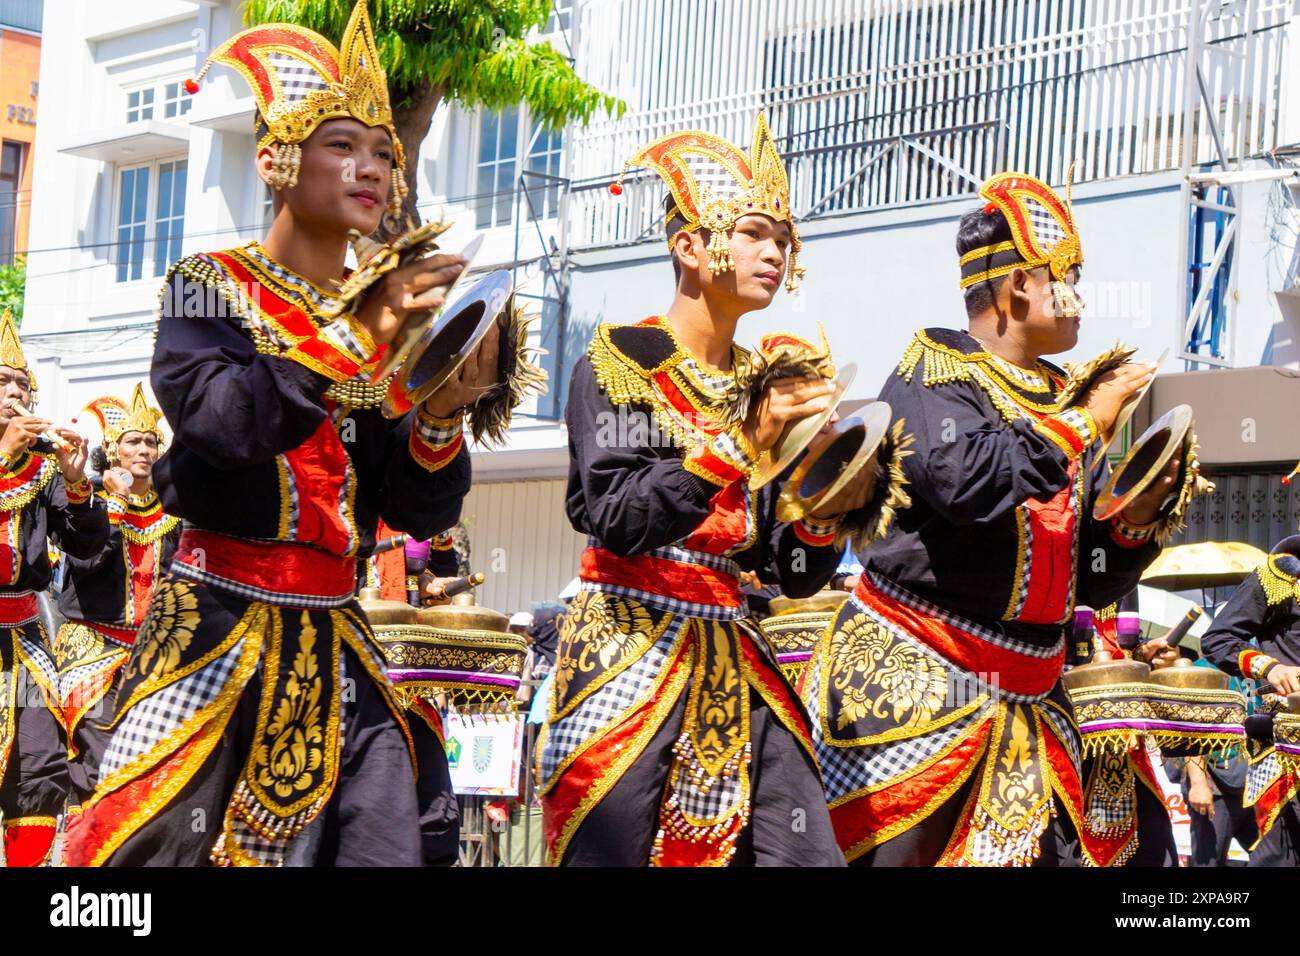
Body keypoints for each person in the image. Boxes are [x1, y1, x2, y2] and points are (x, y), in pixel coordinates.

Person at [64, 1, 489, 867]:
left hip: (337, 626)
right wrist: (352, 338)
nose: (371, 168)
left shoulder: (383, 315)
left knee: (388, 841)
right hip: (217, 616)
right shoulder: (203, 286)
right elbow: (222, 425)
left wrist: (439, 417)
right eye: (343, 145)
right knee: (136, 855)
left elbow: (412, 505)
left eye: (384, 154)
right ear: (276, 160)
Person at [538, 115, 904, 867]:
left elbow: (793, 572)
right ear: (690, 245)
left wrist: (829, 499)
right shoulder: (621, 360)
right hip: (629, 642)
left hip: (736, 640)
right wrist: (741, 443)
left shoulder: (774, 378)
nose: (776, 253)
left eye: (785, 240)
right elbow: (615, 514)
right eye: (755, 233)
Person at [805, 171, 1186, 866]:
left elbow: (1086, 582)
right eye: (1066, 278)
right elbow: (966, 482)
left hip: (1030, 696)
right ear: (1018, 289)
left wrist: (1134, 519)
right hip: (918, 680)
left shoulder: (1056, 395)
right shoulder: (935, 367)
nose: (1079, 299)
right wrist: (1081, 425)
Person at [0, 308, 108, 865]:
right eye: (2, 382)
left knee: (39, 765)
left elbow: (87, 550)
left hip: (24, 638)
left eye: (23, 384)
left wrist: (75, 483)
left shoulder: (43, 467)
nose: (15, 393)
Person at [53, 385, 181, 813]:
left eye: (150, 441)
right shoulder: (86, 500)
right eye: (133, 442)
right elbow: (87, 560)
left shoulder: (174, 510)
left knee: (160, 760)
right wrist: (117, 501)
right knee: (100, 757)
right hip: (94, 649)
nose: (143, 449)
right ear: (112, 450)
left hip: (155, 651)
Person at [1199, 527, 1300, 866]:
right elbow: (1218, 639)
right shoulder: (1282, 573)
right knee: (1280, 856)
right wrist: (1270, 668)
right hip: (1289, 745)